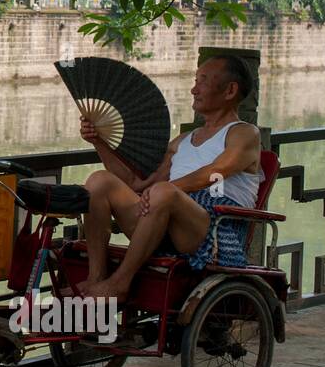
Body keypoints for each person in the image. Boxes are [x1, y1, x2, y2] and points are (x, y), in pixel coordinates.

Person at [78, 55, 263, 301]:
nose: (194, 89)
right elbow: (136, 184)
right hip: (161, 217)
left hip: (217, 230)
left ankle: (120, 283)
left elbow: (214, 172)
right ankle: (96, 278)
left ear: (230, 90)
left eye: (203, 81)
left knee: (162, 192)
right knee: (99, 181)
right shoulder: (183, 141)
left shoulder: (244, 133)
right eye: (195, 81)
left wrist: (164, 191)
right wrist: (98, 142)